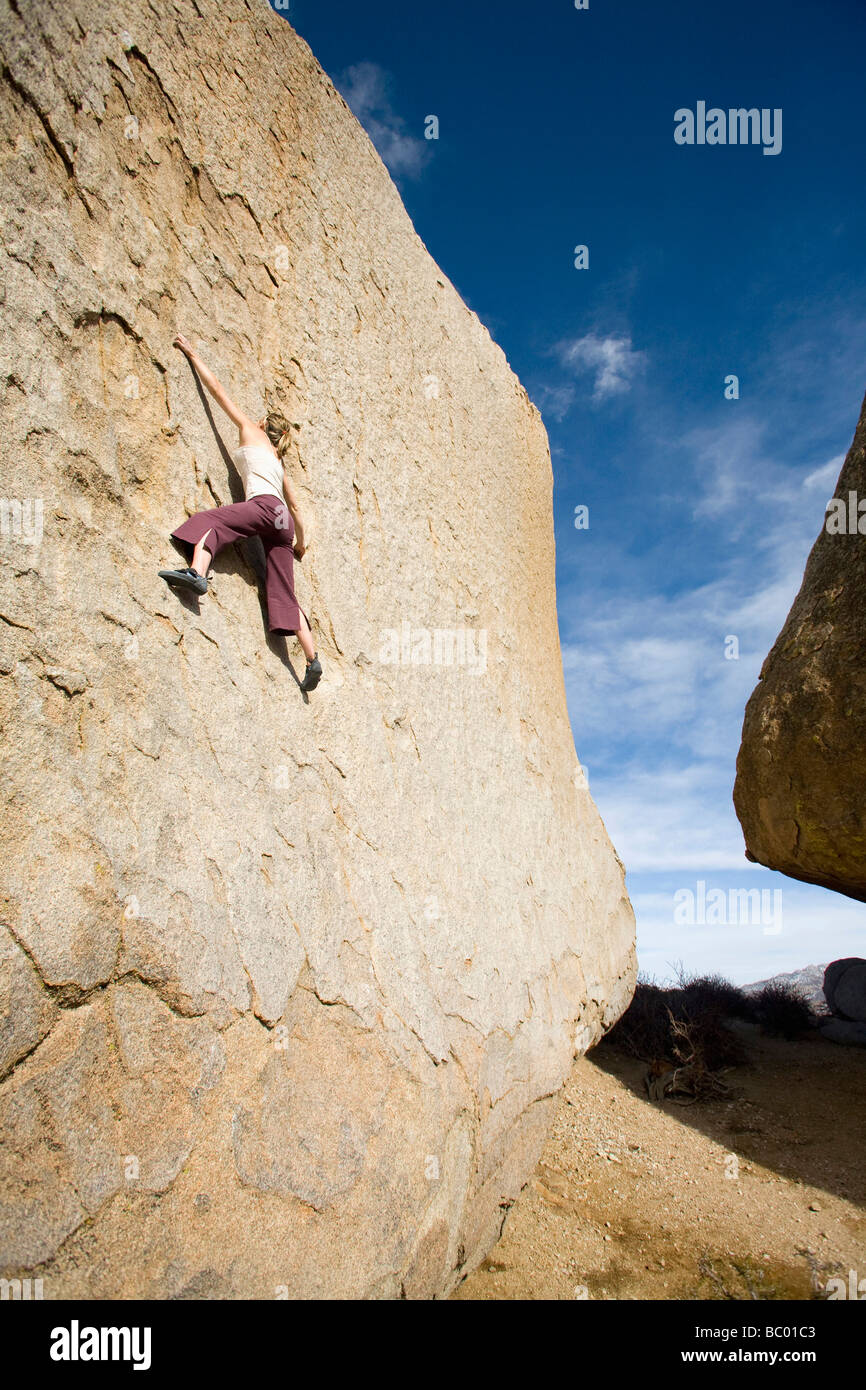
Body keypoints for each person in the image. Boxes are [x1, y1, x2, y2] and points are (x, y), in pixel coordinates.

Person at [158, 334, 322, 693]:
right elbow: (295, 507)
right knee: (283, 590)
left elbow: (217, 391)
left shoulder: (250, 430)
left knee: (213, 523)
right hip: (283, 522)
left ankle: (197, 574)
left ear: (264, 426)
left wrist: (191, 352)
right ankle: (312, 660)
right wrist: (301, 544)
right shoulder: (279, 464)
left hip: (263, 507)